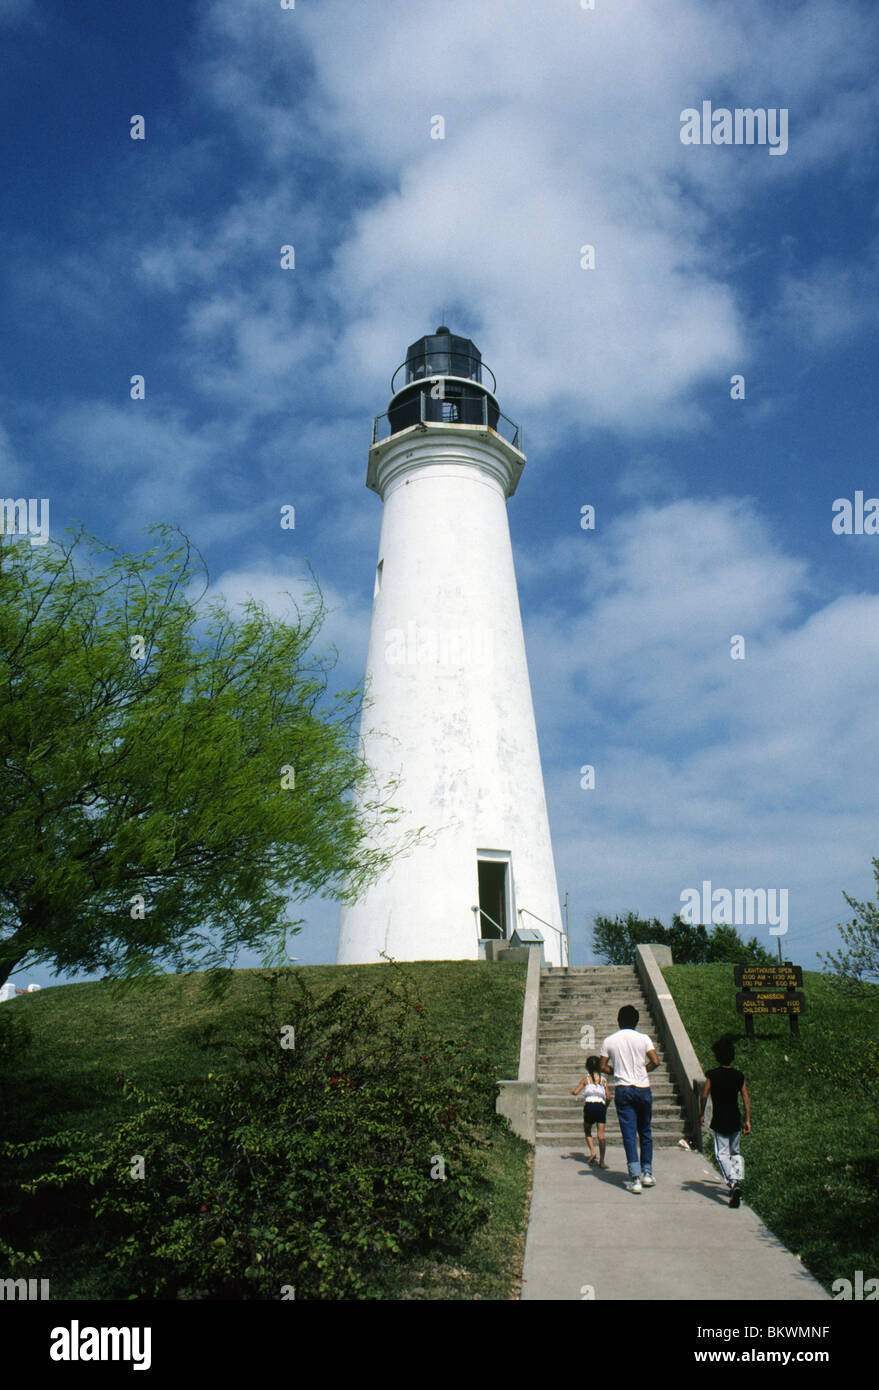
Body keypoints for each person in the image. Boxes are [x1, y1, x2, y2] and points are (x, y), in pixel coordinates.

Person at [601, 1005, 660, 1193]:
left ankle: (635, 1178)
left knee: (628, 1133)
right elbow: (656, 1061)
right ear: (636, 1021)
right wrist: (644, 1071)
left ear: (619, 1021)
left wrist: (616, 1072)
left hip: (623, 1088)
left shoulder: (610, 1040)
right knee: (645, 1131)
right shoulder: (644, 1039)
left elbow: (603, 1066)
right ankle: (647, 1173)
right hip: (643, 1088)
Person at [700, 1037, 750, 1207]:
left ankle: (733, 1183)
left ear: (717, 1056)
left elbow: (705, 1095)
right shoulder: (738, 1076)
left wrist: (701, 1113)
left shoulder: (713, 1075)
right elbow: (745, 1097)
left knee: (721, 1154)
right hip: (735, 1117)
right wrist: (748, 1119)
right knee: (735, 1152)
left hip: (720, 1118)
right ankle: (738, 1181)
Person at [571, 1055, 610, 1168]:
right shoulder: (604, 1080)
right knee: (601, 1135)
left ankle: (592, 1152)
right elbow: (608, 1096)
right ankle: (602, 1161)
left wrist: (572, 1092)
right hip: (600, 1107)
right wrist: (605, 1106)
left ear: (587, 1067)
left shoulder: (585, 1080)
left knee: (587, 1130)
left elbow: (576, 1092)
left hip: (589, 1106)